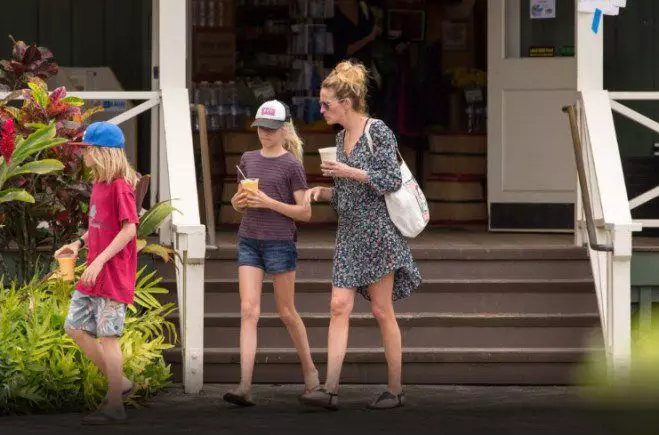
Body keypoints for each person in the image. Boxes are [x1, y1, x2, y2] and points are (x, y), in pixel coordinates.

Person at [301, 60, 422, 410]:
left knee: (382, 310)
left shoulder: (378, 130)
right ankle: (330, 387)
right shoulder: (340, 138)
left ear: (347, 103)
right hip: (350, 233)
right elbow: (347, 193)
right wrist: (324, 193)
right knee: (339, 306)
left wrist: (348, 171)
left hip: (379, 232)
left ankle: (395, 389)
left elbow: (390, 180)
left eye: (326, 103)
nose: (320, 109)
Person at [224, 100, 319, 406]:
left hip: (280, 242)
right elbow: (238, 204)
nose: (264, 133)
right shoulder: (248, 159)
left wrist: (268, 202)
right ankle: (244, 385)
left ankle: (312, 375)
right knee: (248, 310)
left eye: (270, 128)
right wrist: (239, 201)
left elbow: (304, 213)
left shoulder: (292, 164)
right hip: (249, 239)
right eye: (261, 128)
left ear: (283, 129)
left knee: (286, 312)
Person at [55, 122, 140, 424]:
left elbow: (129, 229)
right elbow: (98, 226)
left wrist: (101, 260)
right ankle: (123, 384)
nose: (83, 155)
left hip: (113, 273)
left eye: (87, 149)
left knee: (108, 337)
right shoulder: (100, 185)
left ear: (102, 152)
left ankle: (115, 403)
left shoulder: (120, 186)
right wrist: (78, 244)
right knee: (74, 326)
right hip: (94, 270)